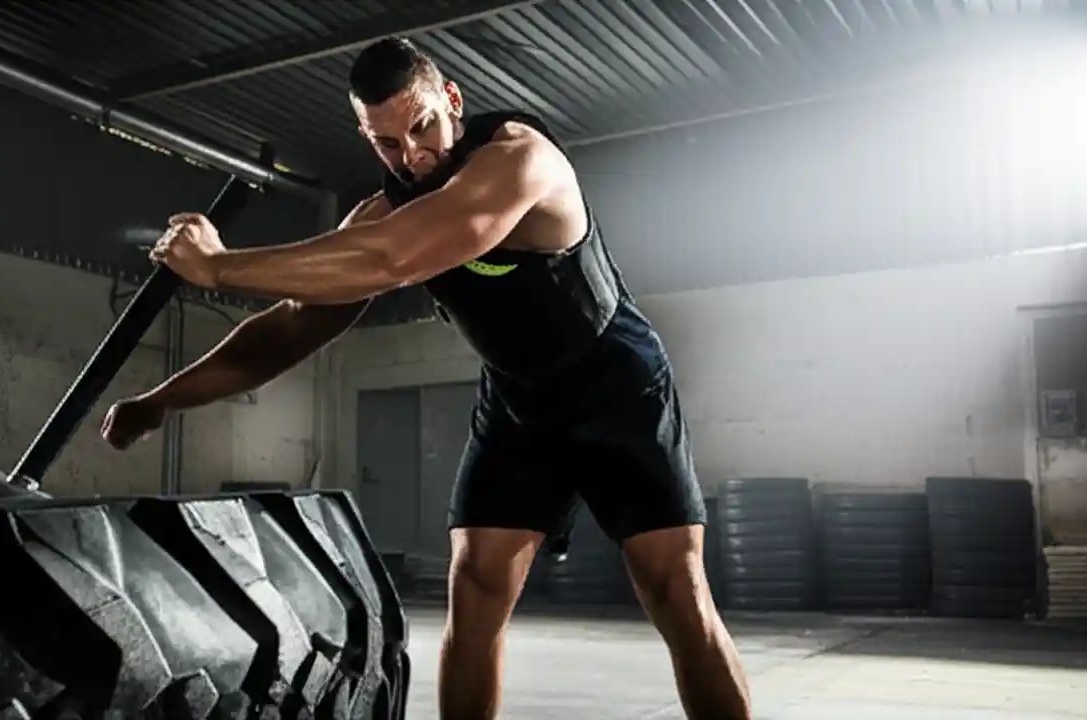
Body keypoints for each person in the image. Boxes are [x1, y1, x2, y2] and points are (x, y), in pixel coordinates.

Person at [102, 37, 751, 720]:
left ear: (453, 101)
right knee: (473, 591)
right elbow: (296, 326)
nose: (412, 155)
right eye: (387, 143)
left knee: (674, 590)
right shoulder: (384, 214)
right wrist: (162, 400)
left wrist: (221, 266)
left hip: (615, 384)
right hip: (518, 401)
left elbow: (395, 258)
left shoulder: (521, 162)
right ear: (365, 137)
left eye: (423, 127)